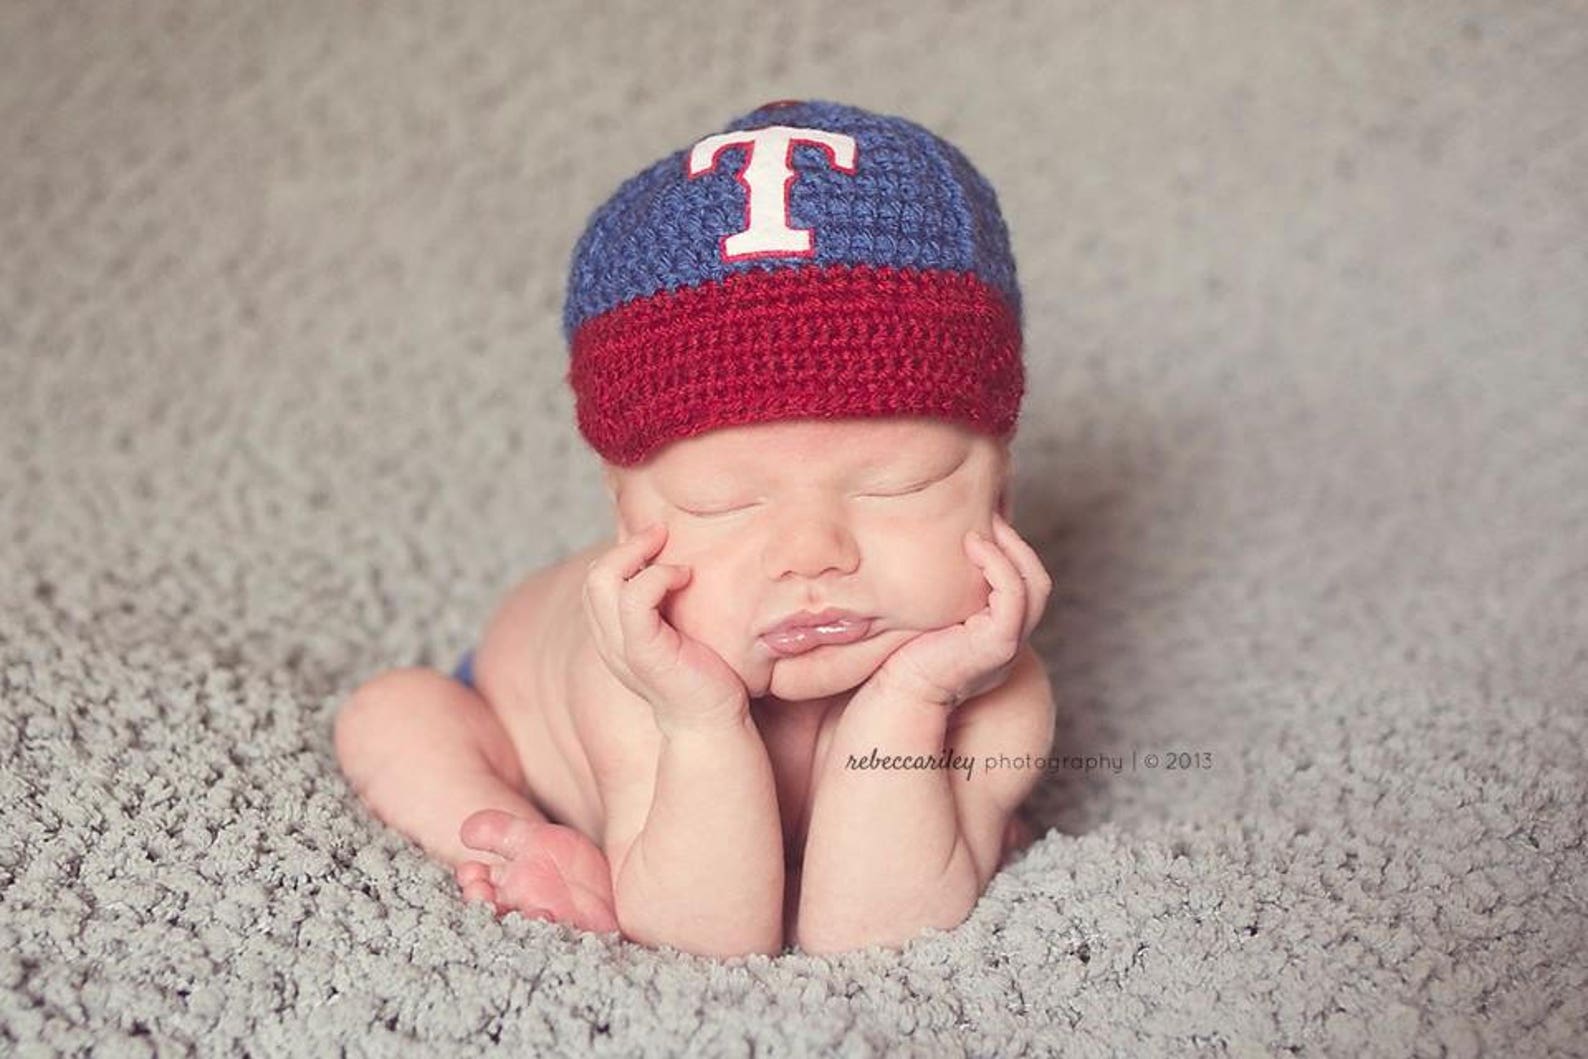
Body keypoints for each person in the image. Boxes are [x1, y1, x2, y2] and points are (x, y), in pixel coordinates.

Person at [333, 99, 1056, 958]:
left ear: (999, 499)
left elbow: (870, 936)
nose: (812, 553)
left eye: (899, 486)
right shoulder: (639, 673)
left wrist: (911, 701)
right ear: (626, 516)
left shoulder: (993, 699)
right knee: (391, 716)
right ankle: (512, 837)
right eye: (723, 501)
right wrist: (701, 722)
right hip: (510, 712)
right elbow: (707, 936)